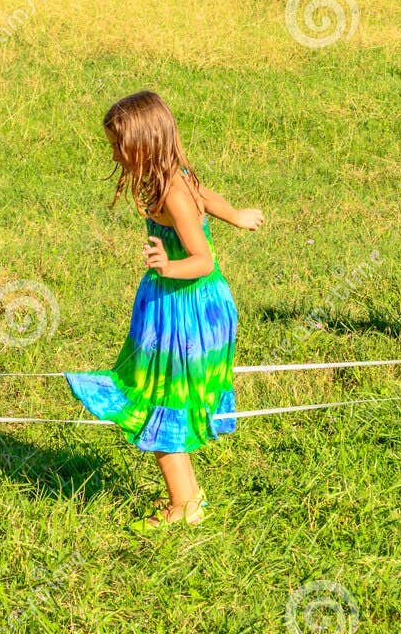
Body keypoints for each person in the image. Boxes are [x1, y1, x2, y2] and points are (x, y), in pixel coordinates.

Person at [65, 91, 264, 532]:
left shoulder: (172, 192)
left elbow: (204, 259)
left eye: (120, 146)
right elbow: (205, 196)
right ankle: (189, 496)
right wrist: (237, 214)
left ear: (145, 144)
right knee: (160, 399)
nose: (114, 154)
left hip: (188, 309)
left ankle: (182, 507)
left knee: (159, 403)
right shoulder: (174, 177)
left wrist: (168, 265)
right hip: (177, 306)